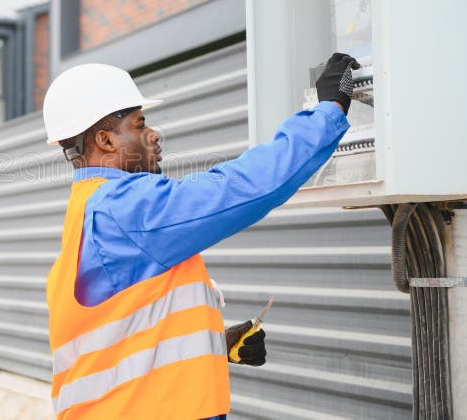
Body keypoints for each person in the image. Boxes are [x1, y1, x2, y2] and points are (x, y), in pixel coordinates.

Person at [43, 54, 359, 419]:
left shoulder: (88, 211)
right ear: (105, 140)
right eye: (139, 124)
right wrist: (329, 110)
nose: (153, 133)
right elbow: (242, 188)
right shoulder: (123, 208)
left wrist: (213, 344)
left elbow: (116, 340)